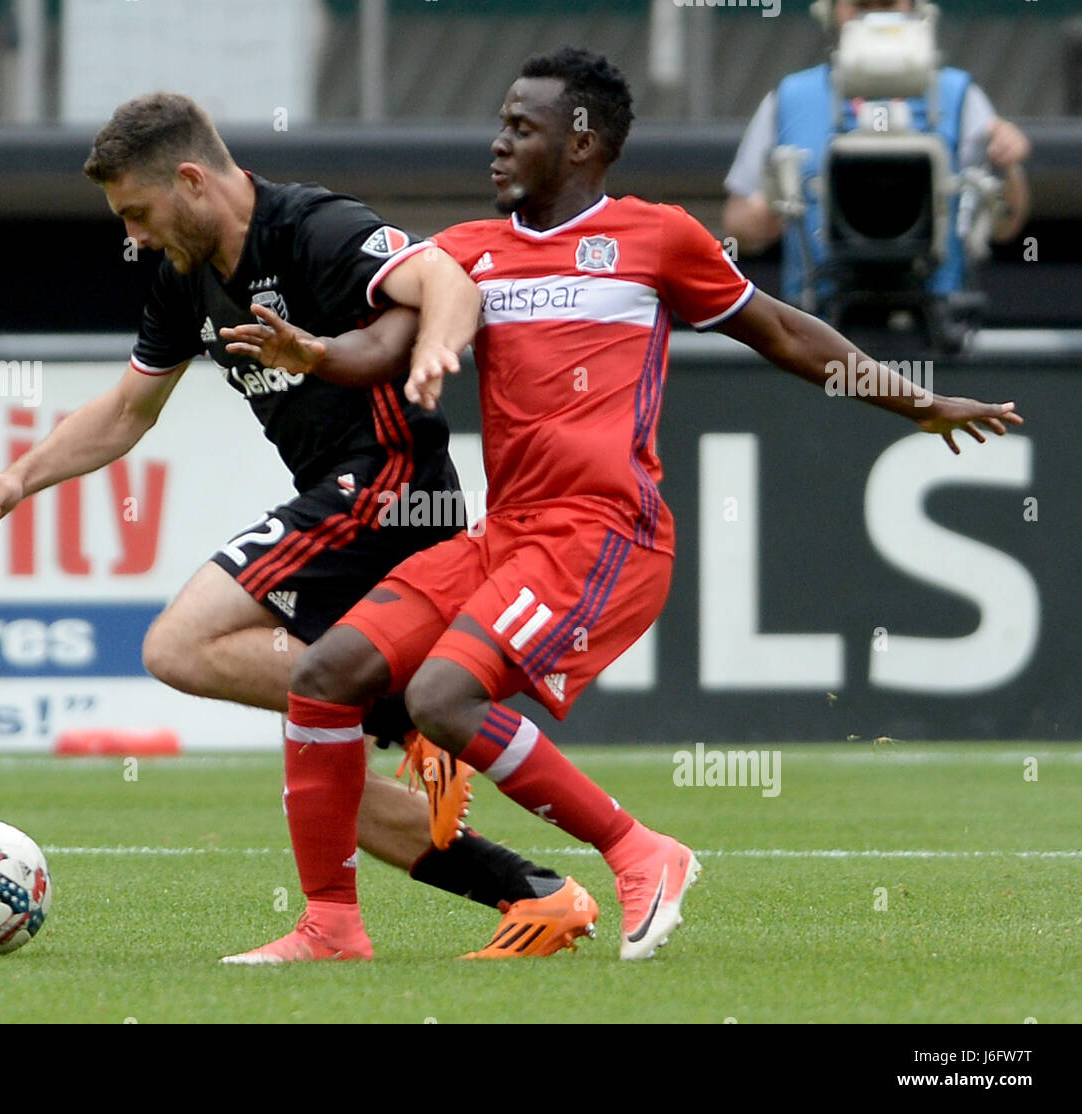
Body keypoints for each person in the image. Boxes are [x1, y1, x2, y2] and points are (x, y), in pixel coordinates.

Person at [218, 46, 1022, 964]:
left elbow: (786, 332)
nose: (498, 144)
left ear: (582, 141)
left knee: (442, 697)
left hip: (604, 532)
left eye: (521, 128)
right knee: (323, 678)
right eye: (501, 124)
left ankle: (642, 852)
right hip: (506, 537)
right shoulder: (467, 255)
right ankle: (330, 926)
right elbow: (382, 347)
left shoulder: (658, 238)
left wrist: (916, 401)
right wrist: (315, 355)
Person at [0, 92, 597, 958]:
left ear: (190, 180)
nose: (134, 235)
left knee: (178, 646)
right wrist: (18, 479)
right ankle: (535, 893)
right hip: (347, 499)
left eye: (137, 213)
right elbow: (125, 411)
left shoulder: (314, 228)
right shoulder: (185, 280)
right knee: (318, 757)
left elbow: (446, 277)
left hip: (392, 489)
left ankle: (408, 717)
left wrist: (439, 351)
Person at [723, 0, 1031, 312]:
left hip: (932, 320)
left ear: (914, 7)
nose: (874, 16)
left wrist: (1009, 167)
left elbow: (1004, 227)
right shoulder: (791, 98)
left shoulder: (957, 94)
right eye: (860, 6)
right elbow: (738, 221)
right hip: (820, 324)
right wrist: (774, 206)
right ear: (831, 10)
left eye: (887, 4)